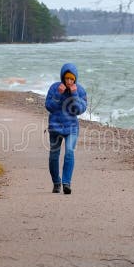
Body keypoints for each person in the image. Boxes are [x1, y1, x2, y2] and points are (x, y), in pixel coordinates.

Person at [45, 63, 88, 194]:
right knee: (54, 156)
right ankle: (56, 182)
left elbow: (79, 110)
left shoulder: (80, 90)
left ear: (75, 79)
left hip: (71, 128)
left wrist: (74, 95)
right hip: (55, 127)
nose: (69, 81)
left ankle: (66, 183)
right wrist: (58, 94)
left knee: (69, 152)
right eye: (67, 78)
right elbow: (49, 106)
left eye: (71, 79)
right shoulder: (54, 88)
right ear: (63, 77)